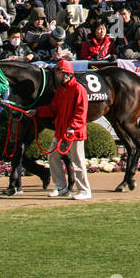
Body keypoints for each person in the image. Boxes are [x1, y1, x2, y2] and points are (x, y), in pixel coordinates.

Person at [31, 59, 91, 200]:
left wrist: (72, 127)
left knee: (77, 161)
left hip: (74, 133)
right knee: (52, 156)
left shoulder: (78, 90)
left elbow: (81, 113)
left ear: (66, 74)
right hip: (61, 131)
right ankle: (61, 187)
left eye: (58, 73)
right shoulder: (61, 91)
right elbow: (53, 109)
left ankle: (84, 190)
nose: (56, 76)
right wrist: (37, 111)